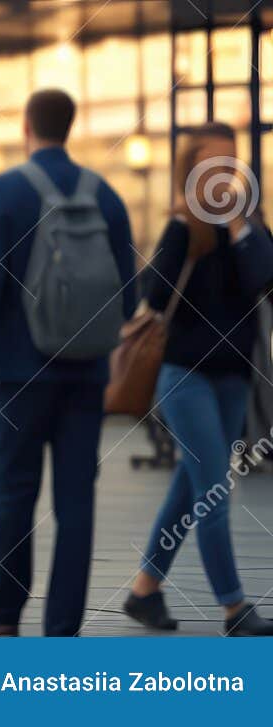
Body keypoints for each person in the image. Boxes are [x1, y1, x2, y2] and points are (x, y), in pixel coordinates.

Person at [0, 89, 139, 637]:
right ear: (70, 127)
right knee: (76, 502)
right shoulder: (106, 196)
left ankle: (6, 616)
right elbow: (128, 298)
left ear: (26, 127)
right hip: (86, 376)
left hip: (17, 376)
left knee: (16, 493)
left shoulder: (3, 192)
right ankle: (62, 627)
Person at [123, 123, 273, 636]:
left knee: (191, 487)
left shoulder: (247, 224)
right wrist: (185, 237)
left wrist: (238, 224)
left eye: (232, 161)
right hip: (185, 377)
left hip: (233, 378)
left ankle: (145, 590)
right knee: (214, 493)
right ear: (192, 169)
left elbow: (265, 281)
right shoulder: (182, 227)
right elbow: (155, 296)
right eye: (214, 162)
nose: (225, 172)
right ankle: (234, 609)